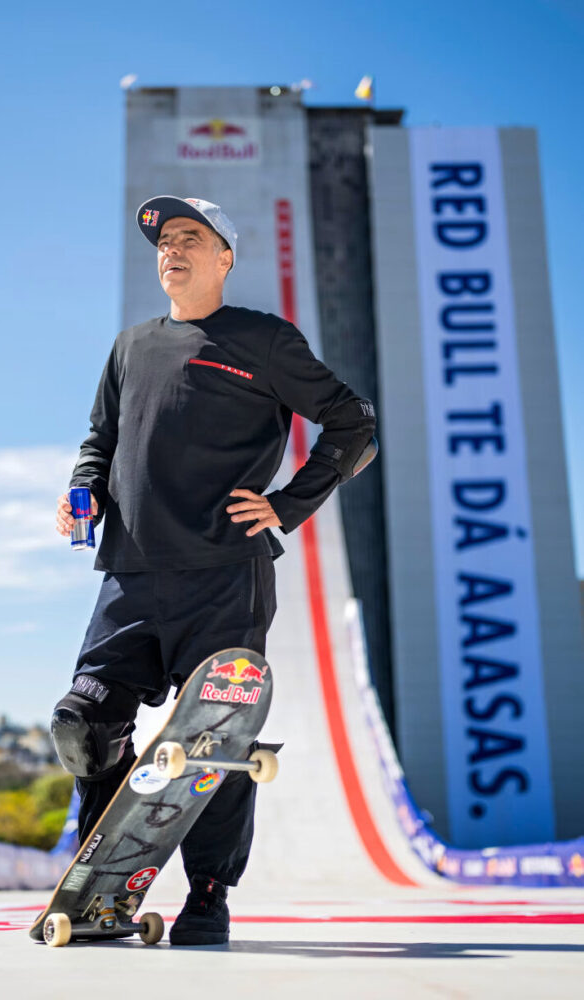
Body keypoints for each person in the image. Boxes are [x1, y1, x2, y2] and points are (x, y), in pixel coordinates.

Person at [53, 196, 376, 945]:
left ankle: (207, 895)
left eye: (190, 238)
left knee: (216, 741)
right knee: (84, 723)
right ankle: (101, 887)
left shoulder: (261, 339)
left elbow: (352, 421)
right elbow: (99, 437)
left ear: (223, 257)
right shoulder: (131, 346)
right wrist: (82, 486)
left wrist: (288, 504)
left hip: (223, 574)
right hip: (129, 573)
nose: (172, 249)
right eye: (164, 240)